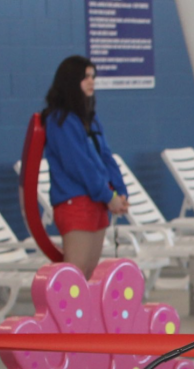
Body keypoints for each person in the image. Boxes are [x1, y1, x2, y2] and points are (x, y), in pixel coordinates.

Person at [41, 55, 128, 279]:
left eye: (92, 76)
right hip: (76, 202)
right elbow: (79, 165)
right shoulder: (60, 120)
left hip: (98, 202)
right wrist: (108, 196)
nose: (91, 81)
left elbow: (106, 157)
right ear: (71, 81)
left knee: (88, 274)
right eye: (85, 77)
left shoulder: (90, 118)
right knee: (75, 276)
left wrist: (119, 191)